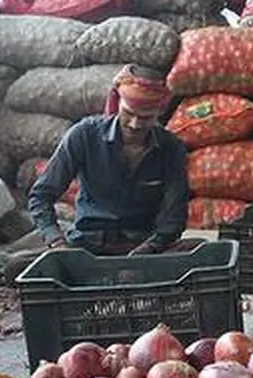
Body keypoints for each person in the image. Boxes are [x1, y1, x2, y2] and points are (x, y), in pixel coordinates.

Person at [27, 64, 189, 256]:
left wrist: (152, 246)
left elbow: (174, 214)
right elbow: (42, 195)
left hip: (143, 247)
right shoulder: (84, 135)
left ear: (159, 113)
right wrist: (56, 241)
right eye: (128, 113)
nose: (135, 124)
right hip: (86, 245)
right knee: (19, 267)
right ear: (118, 102)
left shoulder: (171, 148)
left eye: (145, 118)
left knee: (201, 252)